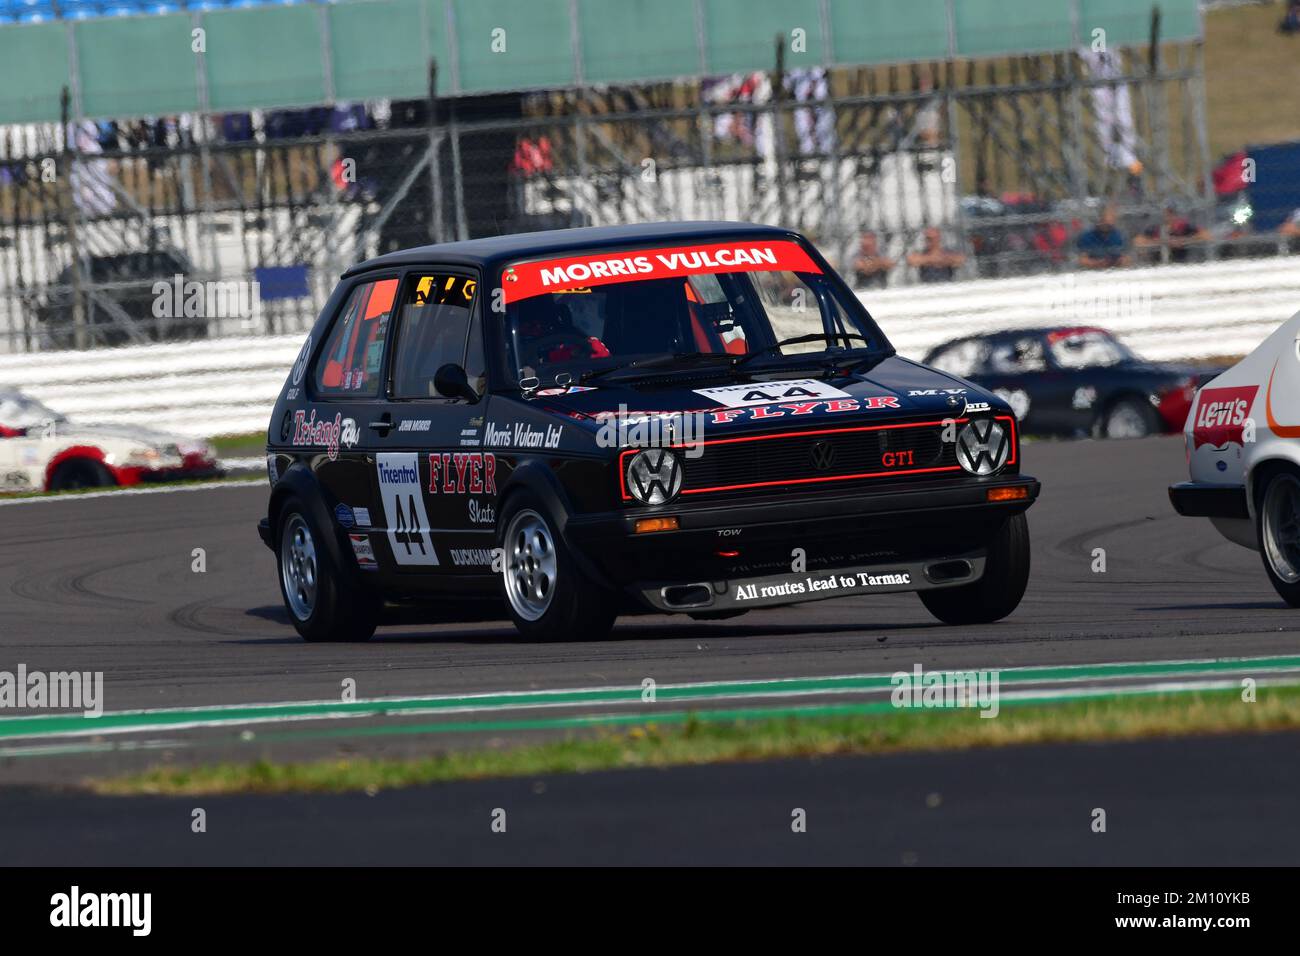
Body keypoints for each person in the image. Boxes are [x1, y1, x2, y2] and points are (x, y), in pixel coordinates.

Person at [1134, 206, 1209, 264]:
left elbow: (1206, 235)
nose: (1170, 217)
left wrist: (1183, 240)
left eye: (1172, 214)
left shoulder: (1184, 227)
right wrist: (1165, 242)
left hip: (1182, 262)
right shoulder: (1156, 228)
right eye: (1167, 215)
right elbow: (1138, 241)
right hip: (1159, 263)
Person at [1076, 204, 1130, 269]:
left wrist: (1120, 262)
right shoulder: (1086, 237)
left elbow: (1128, 258)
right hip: (1093, 272)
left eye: (1109, 221)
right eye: (1103, 220)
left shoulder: (1120, 236)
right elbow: (1081, 260)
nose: (1105, 224)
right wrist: (1096, 263)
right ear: (1098, 220)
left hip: (1115, 270)